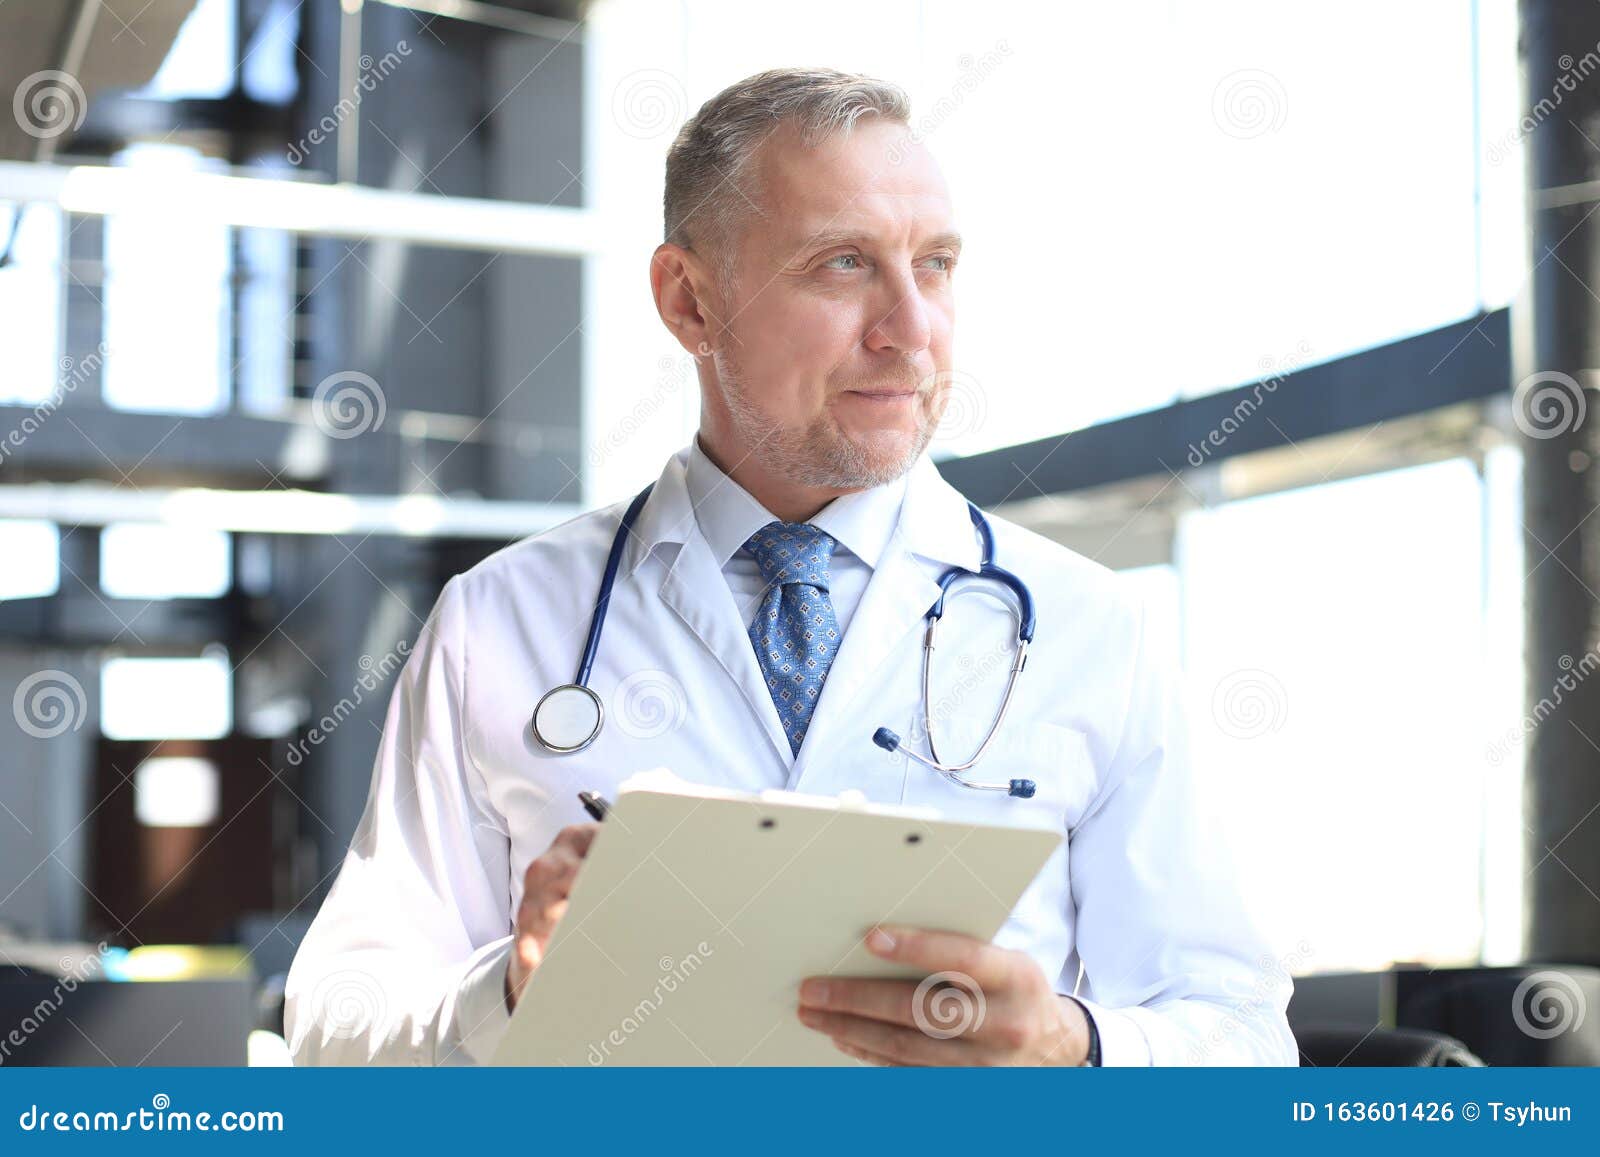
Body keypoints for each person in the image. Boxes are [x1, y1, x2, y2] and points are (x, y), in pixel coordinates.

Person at [285, 66, 1298, 1067]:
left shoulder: (1087, 627)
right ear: (687, 300)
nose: (913, 332)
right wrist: (507, 985)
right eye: (844, 264)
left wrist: (1070, 1045)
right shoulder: (498, 622)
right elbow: (335, 1029)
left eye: (935, 263)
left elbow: (1243, 1035)